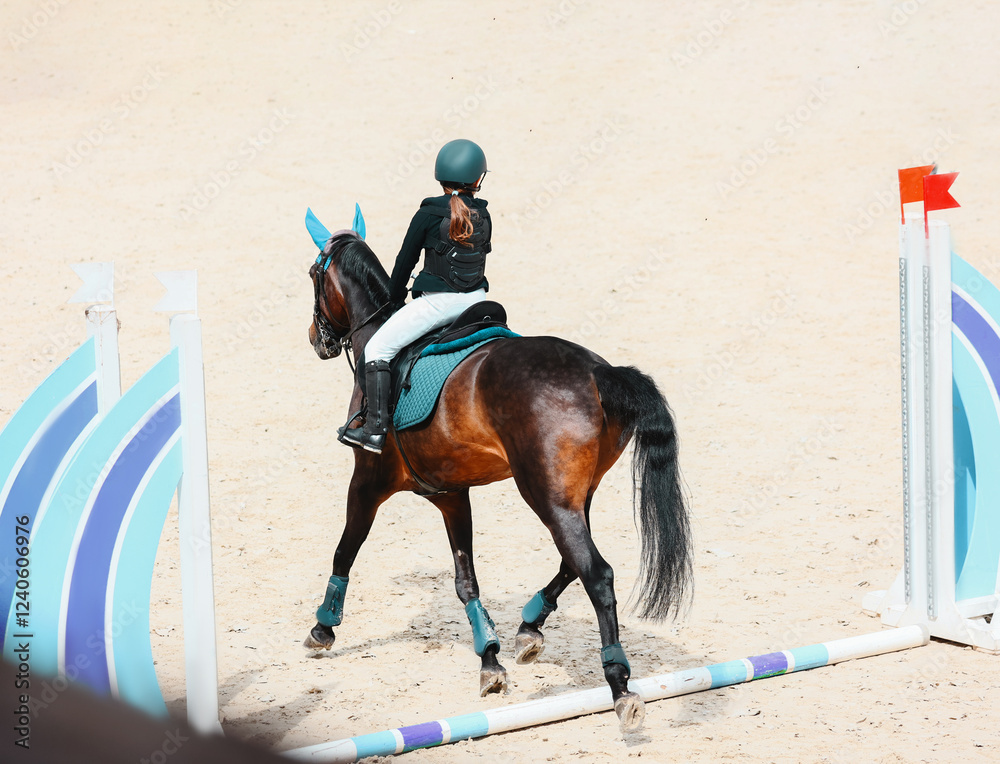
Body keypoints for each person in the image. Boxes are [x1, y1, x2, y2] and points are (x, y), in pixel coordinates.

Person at [340, 138, 492, 454]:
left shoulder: (427, 214)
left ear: (440, 176)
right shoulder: (484, 216)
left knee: (377, 348)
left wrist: (394, 299)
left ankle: (375, 431)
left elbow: (404, 263)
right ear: (478, 180)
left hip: (438, 304)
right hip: (479, 302)